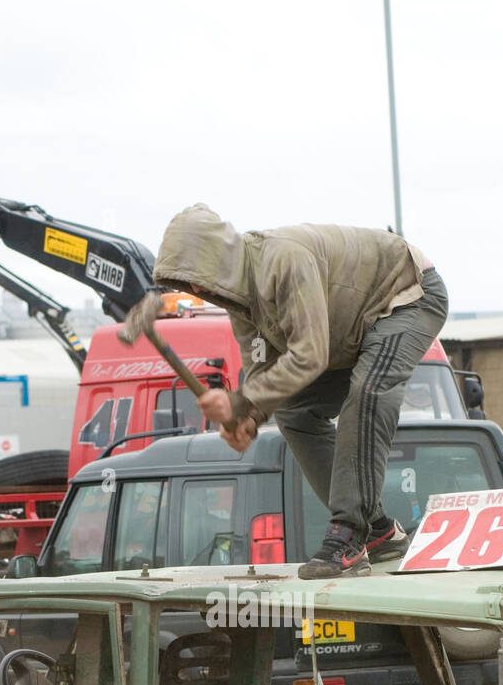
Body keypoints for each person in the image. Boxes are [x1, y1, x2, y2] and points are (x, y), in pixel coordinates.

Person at [153, 204, 448, 578]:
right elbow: (263, 372)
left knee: (369, 391)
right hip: (351, 330)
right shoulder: (241, 305)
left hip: (407, 296)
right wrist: (246, 417)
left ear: (219, 260)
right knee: (294, 412)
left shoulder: (284, 260)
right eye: (185, 284)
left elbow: (309, 355)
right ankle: (377, 530)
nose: (195, 289)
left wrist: (241, 401)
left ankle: (349, 533)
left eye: (196, 278)